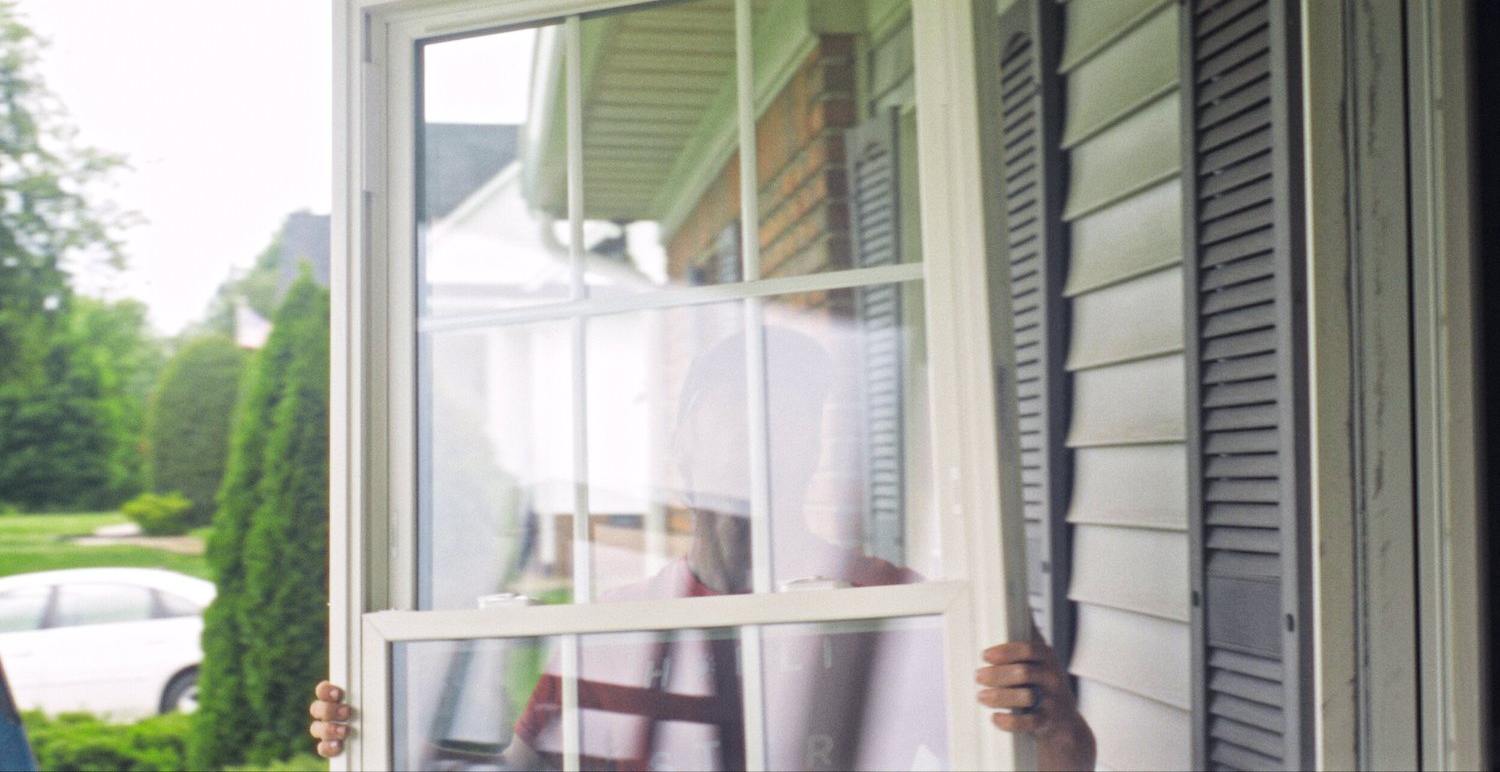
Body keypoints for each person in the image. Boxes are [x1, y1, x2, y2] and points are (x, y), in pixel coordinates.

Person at [309, 328, 1095, 770]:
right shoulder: (607, 634)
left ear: (812, 450)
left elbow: (1042, 764)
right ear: (681, 451)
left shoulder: (891, 608)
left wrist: (1055, 727)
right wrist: (369, 735)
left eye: (789, 418)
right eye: (738, 414)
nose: (763, 438)